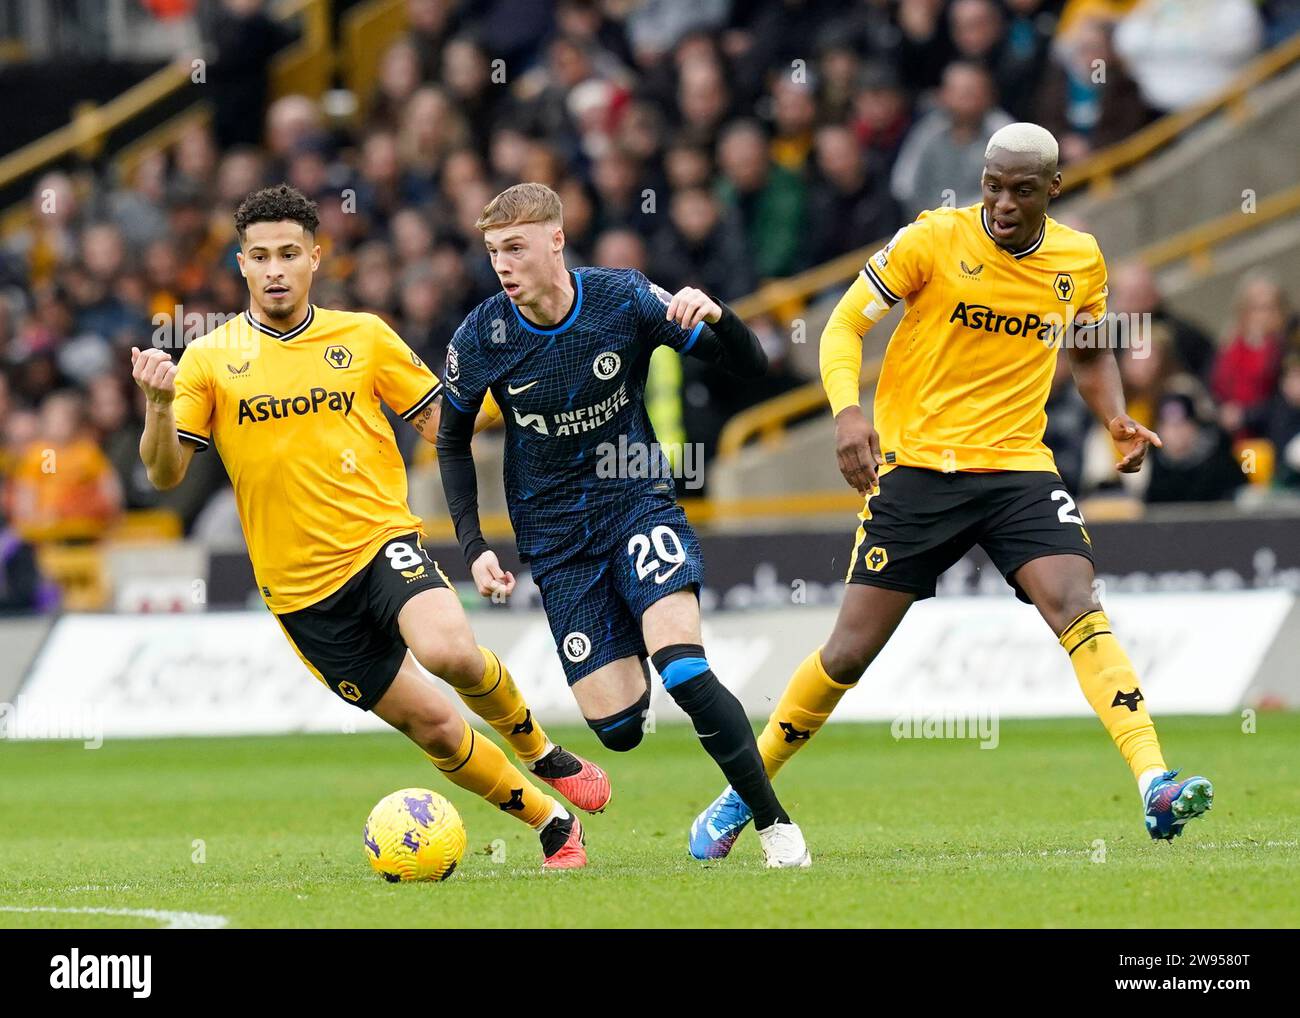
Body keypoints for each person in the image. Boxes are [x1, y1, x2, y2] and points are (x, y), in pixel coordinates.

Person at [691, 124, 1214, 859]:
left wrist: (1116, 417)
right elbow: (843, 325)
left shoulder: (1079, 258)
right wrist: (847, 411)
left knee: (1075, 600)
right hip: (919, 468)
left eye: (1021, 190)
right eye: (993, 186)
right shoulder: (931, 240)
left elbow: (1089, 349)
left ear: (1053, 190)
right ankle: (742, 793)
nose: (1002, 203)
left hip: (1016, 468)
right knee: (846, 654)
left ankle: (1153, 780)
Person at [132, 184, 607, 871]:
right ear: (240, 264)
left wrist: (528, 460)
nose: (274, 269)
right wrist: (154, 405)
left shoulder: (363, 336)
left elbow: (442, 426)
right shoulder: (208, 360)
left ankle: (542, 751)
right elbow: (165, 475)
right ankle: (551, 822)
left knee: (449, 652)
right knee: (438, 728)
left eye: (288, 254)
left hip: (380, 544)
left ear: (314, 259)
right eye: (260, 256)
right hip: (301, 597)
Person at [435, 182, 810, 868]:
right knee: (617, 732)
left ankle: (773, 826)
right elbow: (450, 442)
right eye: (494, 253)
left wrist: (720, 319)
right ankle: (628, 643)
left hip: (635, 501)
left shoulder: (622, 297)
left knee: (686, 669)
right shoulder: (482, 334)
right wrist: (474, 547)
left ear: (556, 239)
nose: (504, 266)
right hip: (555, 541)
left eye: (516, 248)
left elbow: (751, 365)